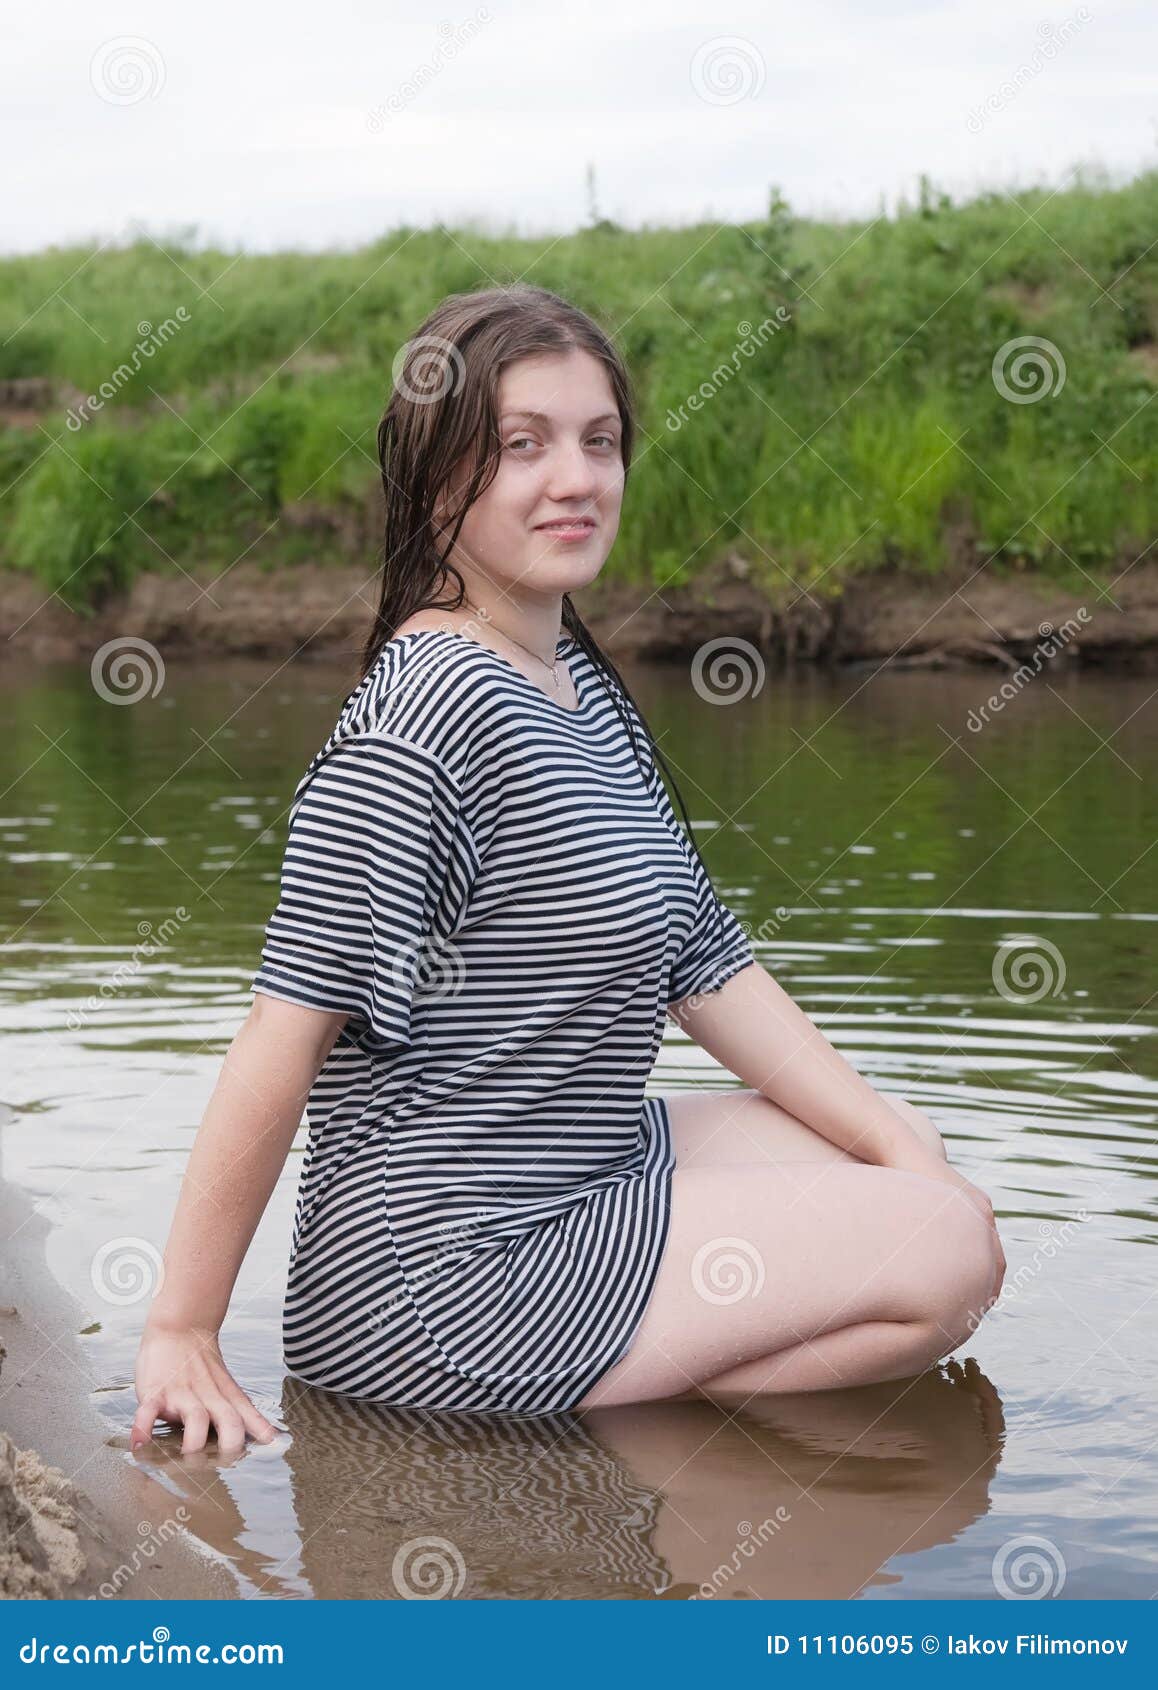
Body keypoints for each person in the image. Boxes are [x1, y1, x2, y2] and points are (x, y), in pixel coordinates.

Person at [131, 284, 1005, 1456]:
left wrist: (900, 1144)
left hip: (586, 1169)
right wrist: (183, 1326)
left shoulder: (577, 685)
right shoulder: (426, 714)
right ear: (433, 475)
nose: (576, 478)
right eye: (521, 446)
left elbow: (704, 961)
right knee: (945, 1253)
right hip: (436, 1273)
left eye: (599, 442)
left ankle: (641, 1406)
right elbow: (281, 1034)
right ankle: (617, 1460)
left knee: (907, 1164)